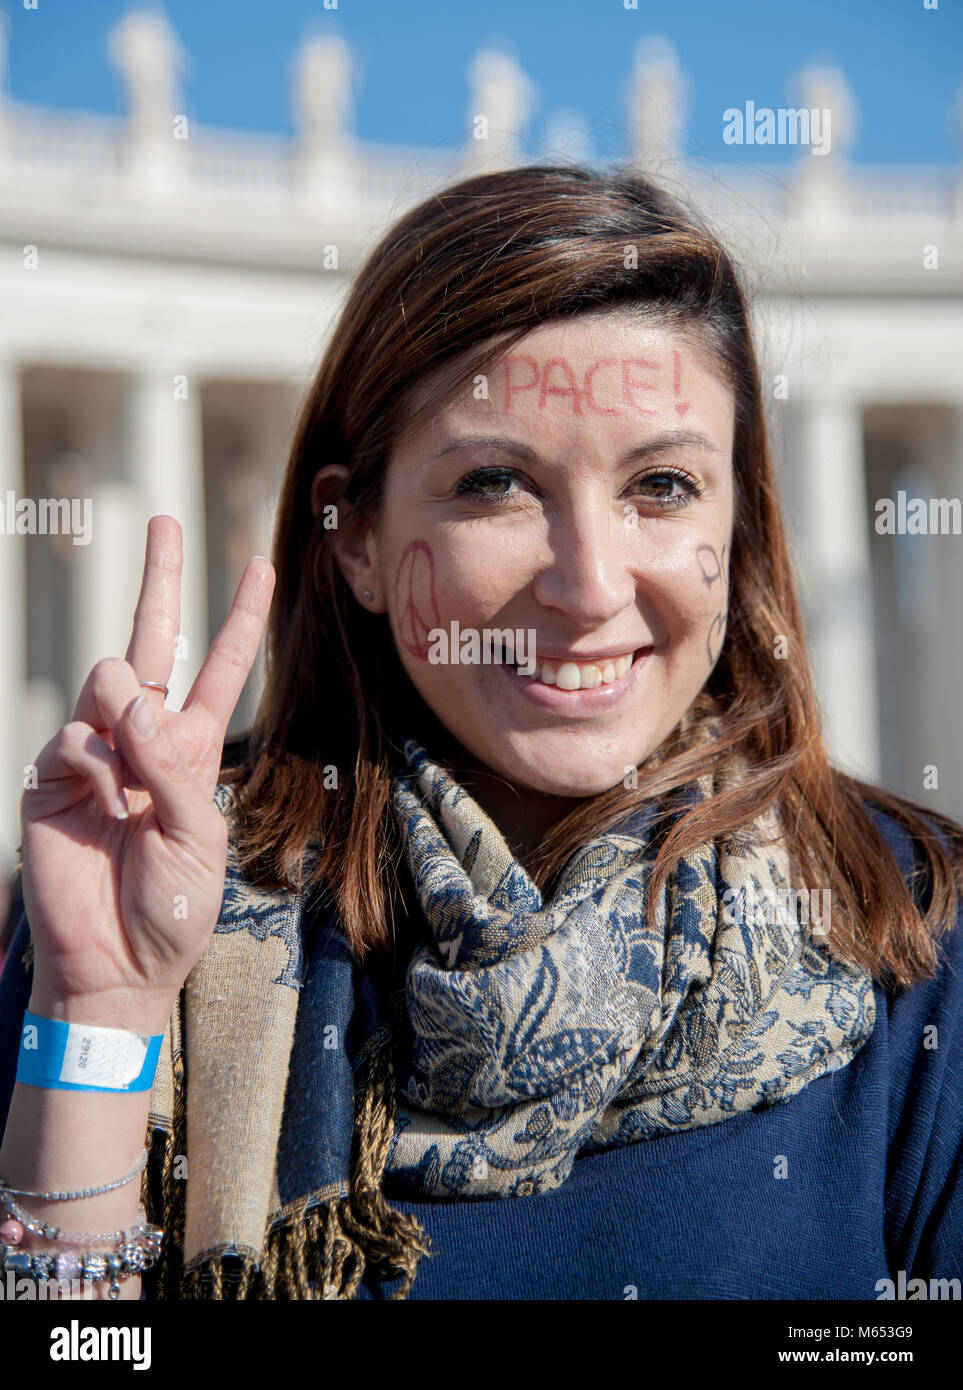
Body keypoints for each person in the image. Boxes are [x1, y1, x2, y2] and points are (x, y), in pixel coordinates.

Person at [1, 164, 962, 1302]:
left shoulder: (912, 930)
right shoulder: (145, 906)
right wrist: (99, 1021)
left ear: (741, 521)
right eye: (497, 483)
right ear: (352, 535)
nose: (590, 586)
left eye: (661, 486)